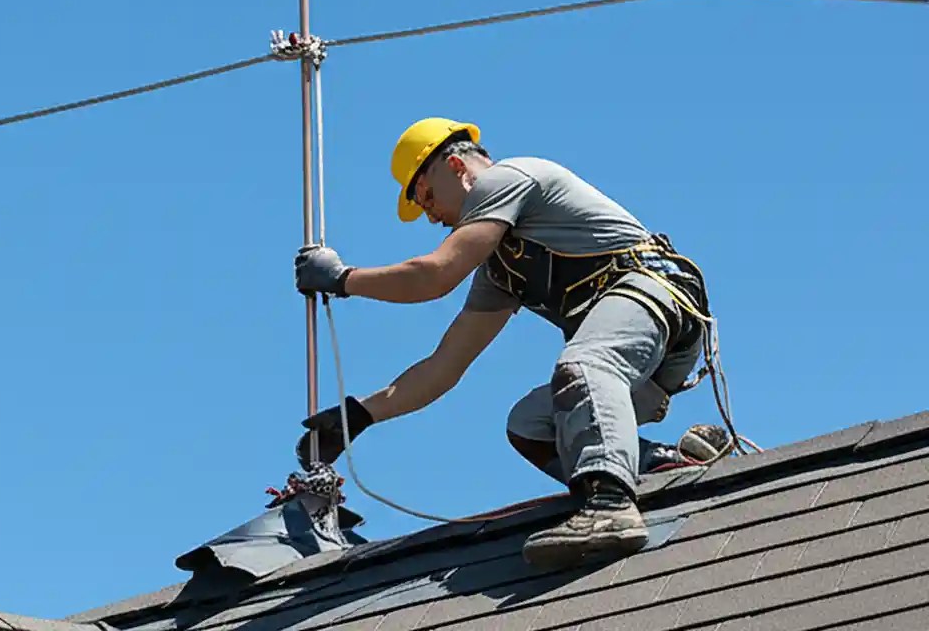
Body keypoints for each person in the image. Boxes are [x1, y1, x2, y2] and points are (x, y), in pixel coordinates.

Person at [292, 117, 731, 570]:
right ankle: (664, 466)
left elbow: (436, 275)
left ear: (457, 166)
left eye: (425, 196)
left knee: (583, 366)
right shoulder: (501, 268)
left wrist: (344, 280)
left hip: (654, 295)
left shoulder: (509, 178)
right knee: (530, 425)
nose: (431, 215)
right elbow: (444, 366)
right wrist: (358, 415)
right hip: (641, 360)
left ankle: (608, 505)